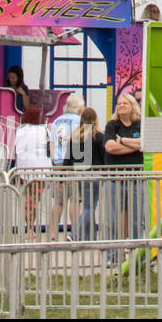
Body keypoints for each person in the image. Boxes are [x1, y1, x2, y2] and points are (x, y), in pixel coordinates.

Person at [104, 95, 145, 246]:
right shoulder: (112, 125)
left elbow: (144, 144)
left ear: (132, 105)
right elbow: (110, 147)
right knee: (113, 218)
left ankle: (138, 253)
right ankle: (113, 254)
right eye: (119, 103)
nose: (121, 105)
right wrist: (134, 146)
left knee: (137, 218)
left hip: (136, 179)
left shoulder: (140, 125)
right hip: (115, 179)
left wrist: (121, 140)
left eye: (125, 103)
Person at [48, 94, 83, 239]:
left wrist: (54, 163)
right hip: (74, 164)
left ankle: (52, 232)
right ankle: (74, 231)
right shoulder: (80, 121)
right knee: (75, 199)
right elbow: (82, 145)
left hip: (58, 163)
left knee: (58, 201)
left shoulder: (56, 121)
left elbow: (51, 144)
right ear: (80, 108)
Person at [66, 108, 104, 240]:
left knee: (88, 206)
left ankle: (90, 237)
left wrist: (62, 176)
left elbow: (68, 160)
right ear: (96, 120)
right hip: (94, 176)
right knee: (90, 207)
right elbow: (104, 159)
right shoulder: (98, 137)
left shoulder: (74, 136)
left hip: (79, 175)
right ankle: (74, 233)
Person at [14, 104, 51, 239]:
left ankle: (29, 226)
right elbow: (50, 149)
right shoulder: (44, 130)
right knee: (35, 199)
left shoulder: (19, 130)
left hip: (24, 169)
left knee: (29, 198)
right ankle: (30, 228)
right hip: (41, 169)